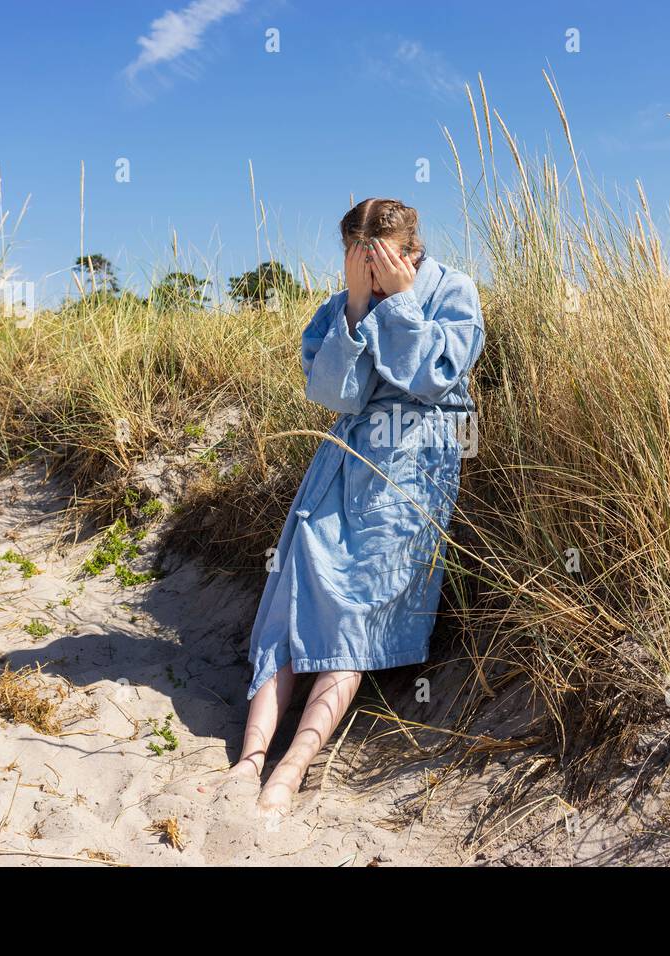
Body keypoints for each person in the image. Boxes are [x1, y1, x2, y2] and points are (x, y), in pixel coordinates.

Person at [207, 198, 484, 818]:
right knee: (295, 590)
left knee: (355, 614)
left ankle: (294, 764)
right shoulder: (342, 304)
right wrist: (357, 309)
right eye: (358, 260)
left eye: (380, 259)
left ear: (411, 250)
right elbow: (335, 393)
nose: (370, 269)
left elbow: (435, 377)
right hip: (341, 462)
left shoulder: (453, 291)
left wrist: (404, 302)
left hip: (412, 469)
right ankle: (251, 757)